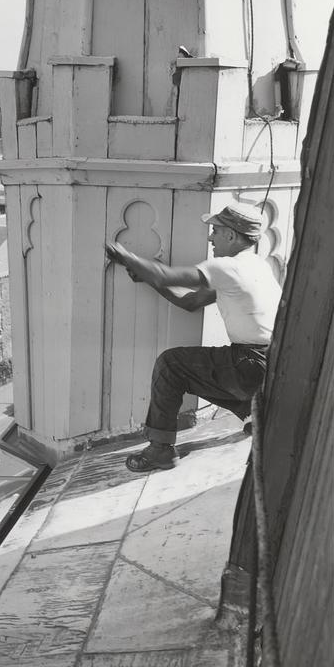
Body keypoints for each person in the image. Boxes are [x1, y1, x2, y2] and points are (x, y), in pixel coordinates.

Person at [105, 202, 282, 473]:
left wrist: (126, 256)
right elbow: (190, 301)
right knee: (206, 370)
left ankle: (160, 450)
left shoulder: (228, 267)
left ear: (232, 236)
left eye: (217, 231)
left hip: (249, 362)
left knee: (171, 364)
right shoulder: (257, 266)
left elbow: (165, 276)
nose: (211, 237)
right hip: (271, 363)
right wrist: (150, 277)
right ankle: (257, 414)